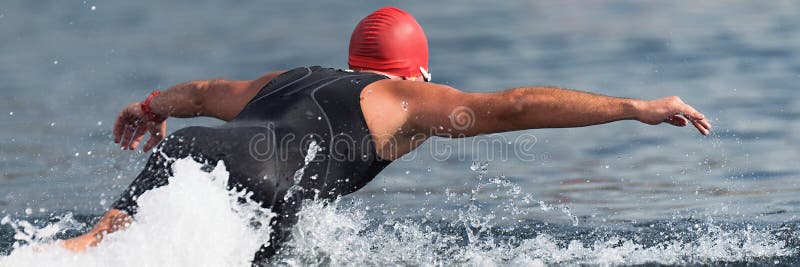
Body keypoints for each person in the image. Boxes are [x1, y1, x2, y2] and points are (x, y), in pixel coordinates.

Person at [61, 6, 712, 264]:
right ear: (417, 72)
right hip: (262, 192)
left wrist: (150, 106)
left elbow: (201, 97)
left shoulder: (284, 78)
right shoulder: (403, 98)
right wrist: (633, 106)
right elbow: (513, 106)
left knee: (86, 250)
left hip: (189, 154)